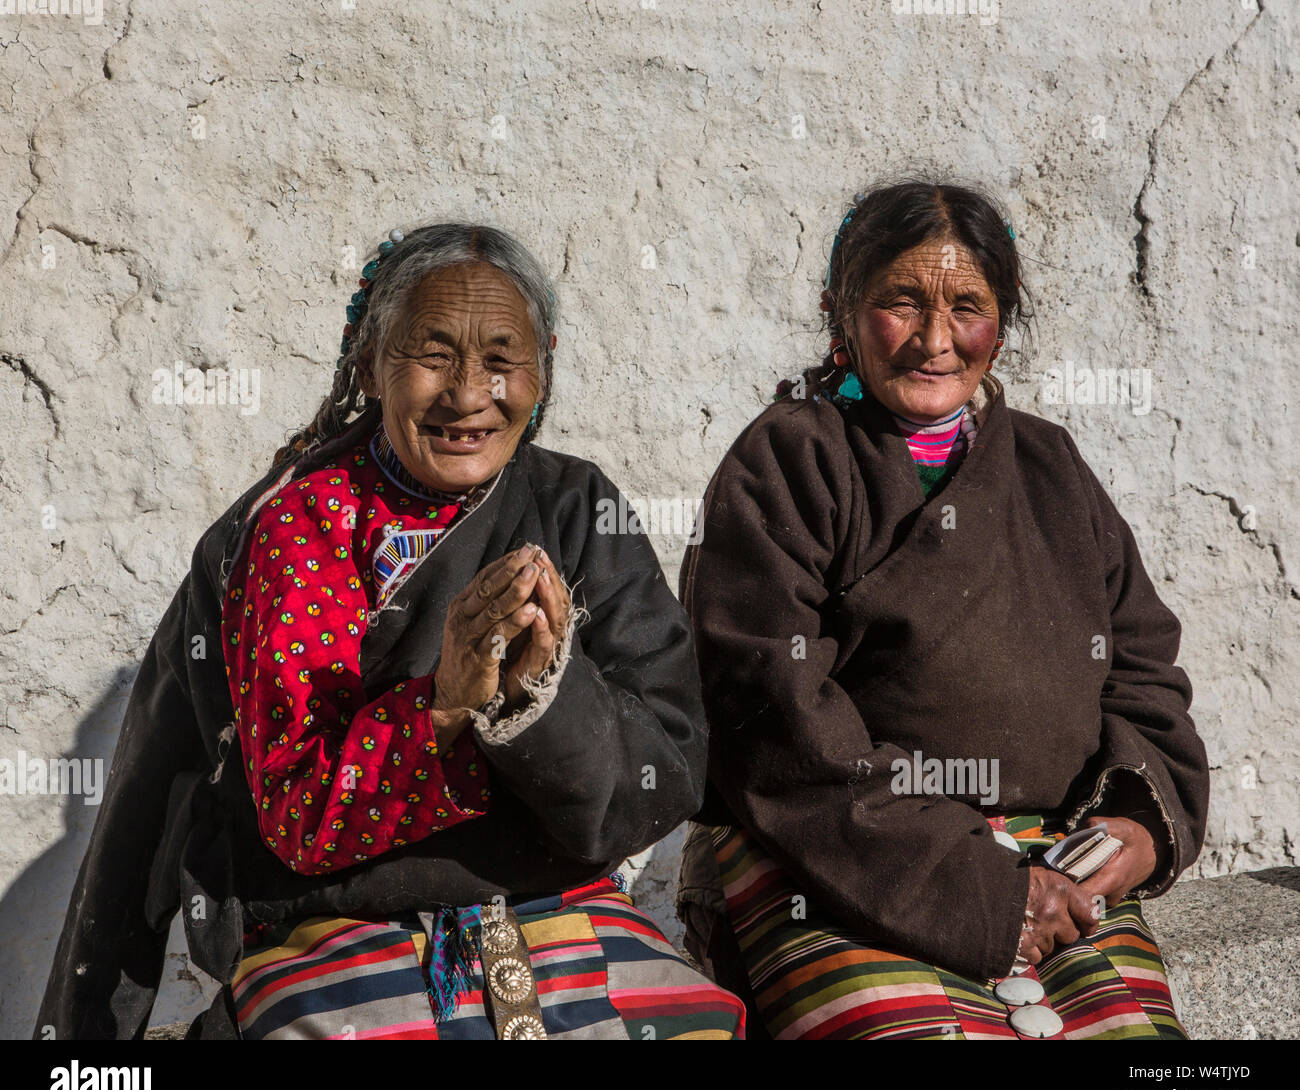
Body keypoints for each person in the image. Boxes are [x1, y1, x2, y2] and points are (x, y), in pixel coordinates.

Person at [37, 222, 743, 1041]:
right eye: (434, 354)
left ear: (541, 365)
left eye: (502, 358)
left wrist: (543, 702)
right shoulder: (285, 534)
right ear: (373, 360)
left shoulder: (578, 509)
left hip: (558, 911)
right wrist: (442, 707)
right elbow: (170, 804)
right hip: (329, 933)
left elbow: (666, 772)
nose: (470, 394)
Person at [676, 180, 1209, 1040]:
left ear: (1004, 321)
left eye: (969, 306)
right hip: (835, 851)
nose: (935, 340)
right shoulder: (789, 459)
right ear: (840, 311)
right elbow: (766, 709)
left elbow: (1142, 661)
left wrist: (1138, 821)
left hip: (1050, 853)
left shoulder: (1049, 466)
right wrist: (974, 884)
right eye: (900, 303)